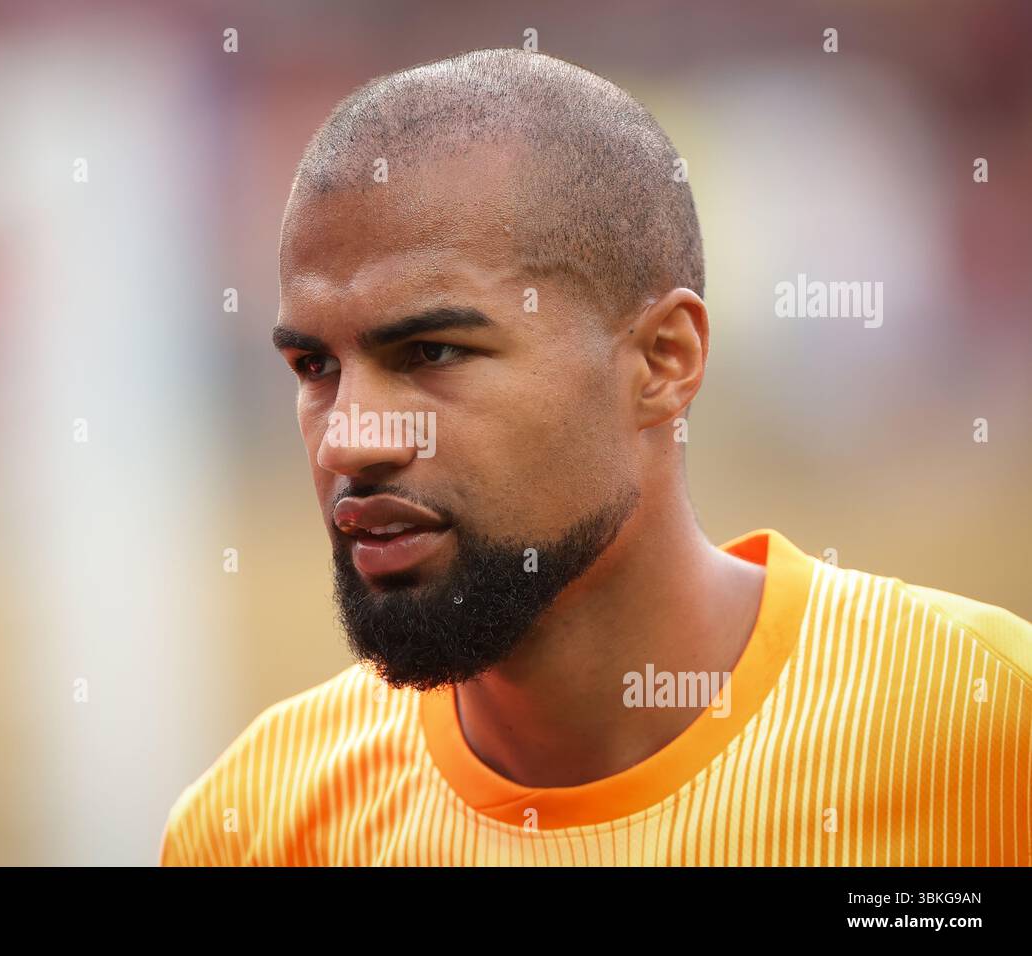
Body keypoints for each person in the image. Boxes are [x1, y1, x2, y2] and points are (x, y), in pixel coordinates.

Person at [160, 48, 1032, 866]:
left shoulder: (985, 723)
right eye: (315, 367)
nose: (350, 438)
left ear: (663, 361)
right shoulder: (258, 822)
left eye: (431, 353)